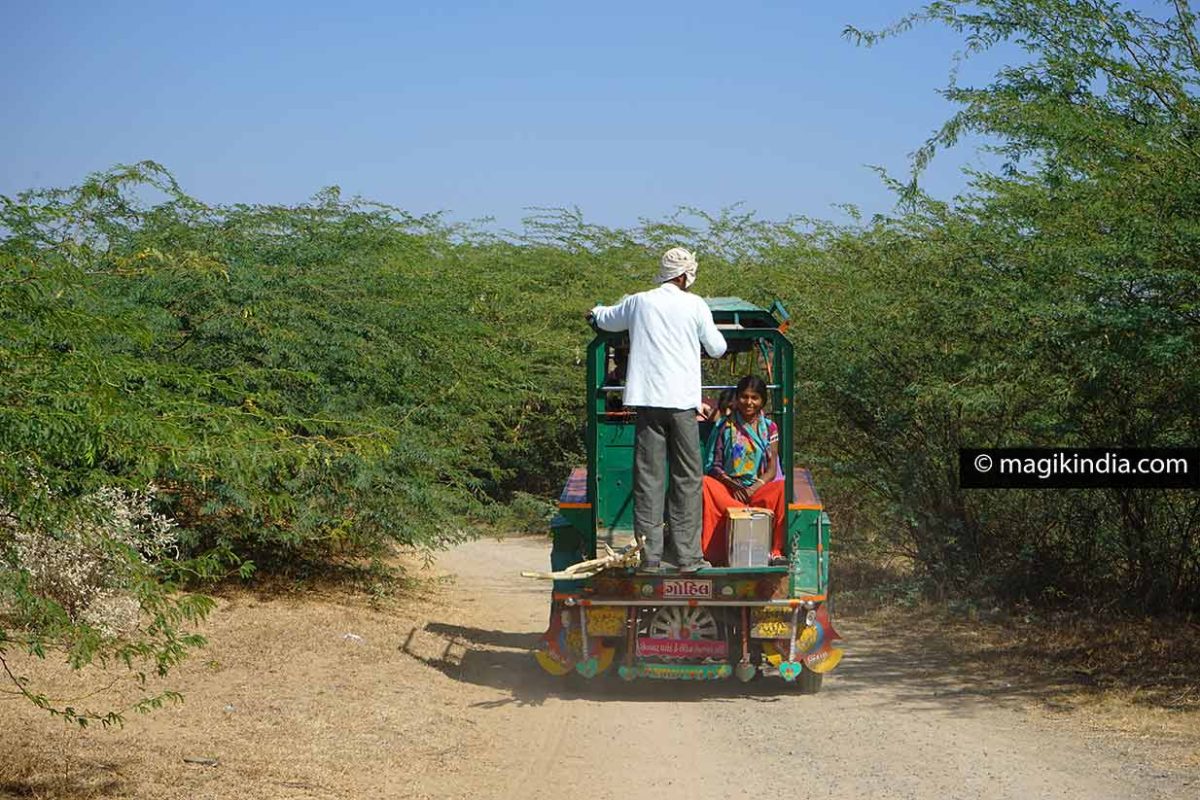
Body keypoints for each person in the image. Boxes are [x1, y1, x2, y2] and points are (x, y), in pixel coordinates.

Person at [588, 247, 727, 574]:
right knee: (687, 480)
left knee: (649, 479)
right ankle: (688, 558)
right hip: (682, 406)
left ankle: (649, 559)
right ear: (685, 276)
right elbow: (717, 348)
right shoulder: (695, 304)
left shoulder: (639, 301)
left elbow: (606, 318)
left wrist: (594, 311)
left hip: (647, 404)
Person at [701, 375, 788, 566]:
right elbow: (713, 465)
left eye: (754, 397)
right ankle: (712, 553)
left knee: (781, 488)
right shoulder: (724, 425)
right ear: (737, 398)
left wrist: (752, 489)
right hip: (730, 493)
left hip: (757, 491)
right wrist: (732, 484)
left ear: (762, 400)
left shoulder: (770, 427)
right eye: (744, 396)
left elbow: (772, 469)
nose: (749, 402)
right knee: (705, 484)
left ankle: (775, 551)